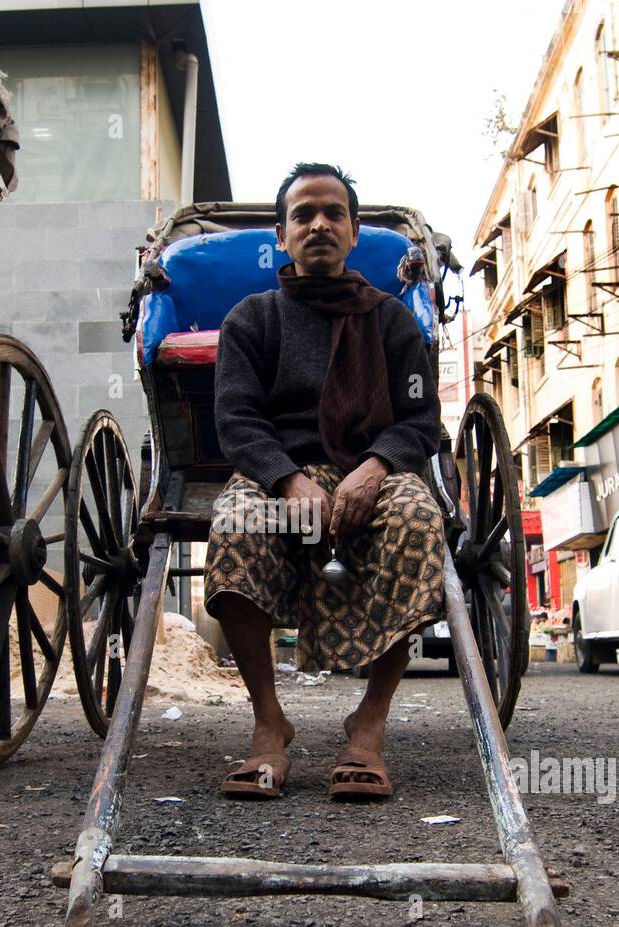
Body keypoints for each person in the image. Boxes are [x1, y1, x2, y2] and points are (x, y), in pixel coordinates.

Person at [203, 162, 445, 802]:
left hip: (372, 470)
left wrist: (374, 466)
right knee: (234, 524)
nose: (318, 224)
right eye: (303, 215)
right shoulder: (250, 319)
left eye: (333, 213)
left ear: (355, 231)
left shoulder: (392, 321)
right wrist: (285, 481)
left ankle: (368, 724)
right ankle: (267, 724)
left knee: (419, 521)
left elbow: (421, 417)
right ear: (281, 235)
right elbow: (236, 419)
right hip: (280, 475)